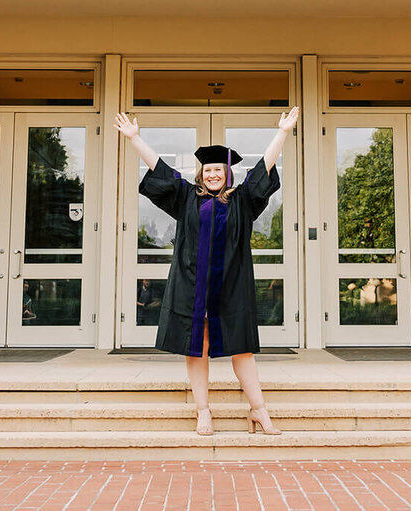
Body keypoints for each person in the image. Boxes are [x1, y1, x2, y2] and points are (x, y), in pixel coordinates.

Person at [115, 107, 300, 436]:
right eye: (208, 169)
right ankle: (203, 412)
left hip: (231, 286)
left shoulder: (241, 200)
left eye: (219, 169)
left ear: (227, 174)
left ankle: (259, 410)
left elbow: (263, 170)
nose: (213, 174)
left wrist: (282, 133)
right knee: (196, 345)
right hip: (191, 286)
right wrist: (135, 139)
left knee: (242, 348)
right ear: (202, 174)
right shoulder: (187, 197)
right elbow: (160, 169)